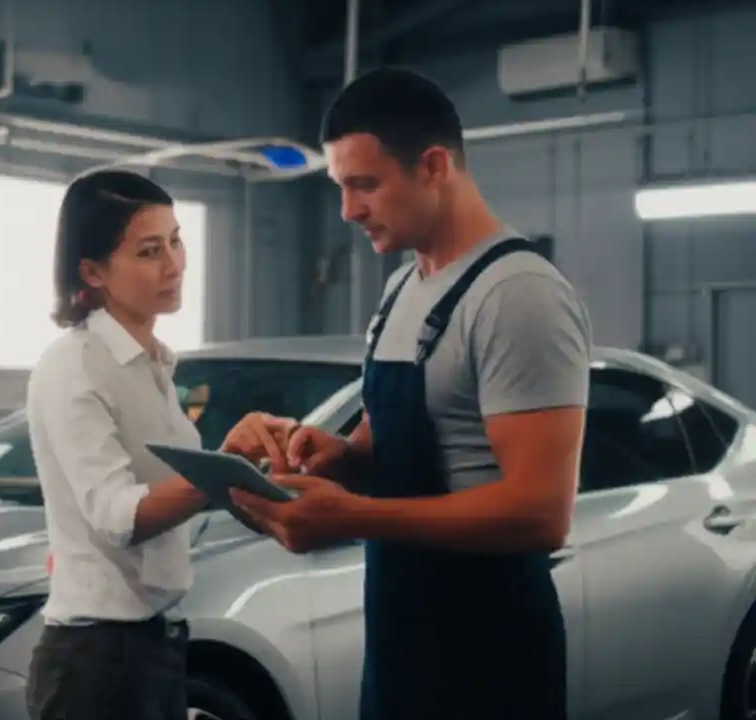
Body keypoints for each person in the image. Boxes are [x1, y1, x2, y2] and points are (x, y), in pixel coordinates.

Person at [230, 67, 592, 719]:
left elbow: (542, 511)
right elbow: (386, 443)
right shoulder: (404, 287)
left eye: (364, 184)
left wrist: (349, 517)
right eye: (340, 187)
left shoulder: (519, 295)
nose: (347, 210)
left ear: (432, 167)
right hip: (403, 639)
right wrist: (327, 453)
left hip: (493, 653)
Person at [24, 169, 273, 720]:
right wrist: (225, 468)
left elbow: (178, 495)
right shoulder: (74, 365)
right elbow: (120, 516)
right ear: (91, 271)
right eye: (148, 251)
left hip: (154, 644)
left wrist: (252, 473)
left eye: (177, 241)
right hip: (97, 660)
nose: (174, 265)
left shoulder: (155, 363)